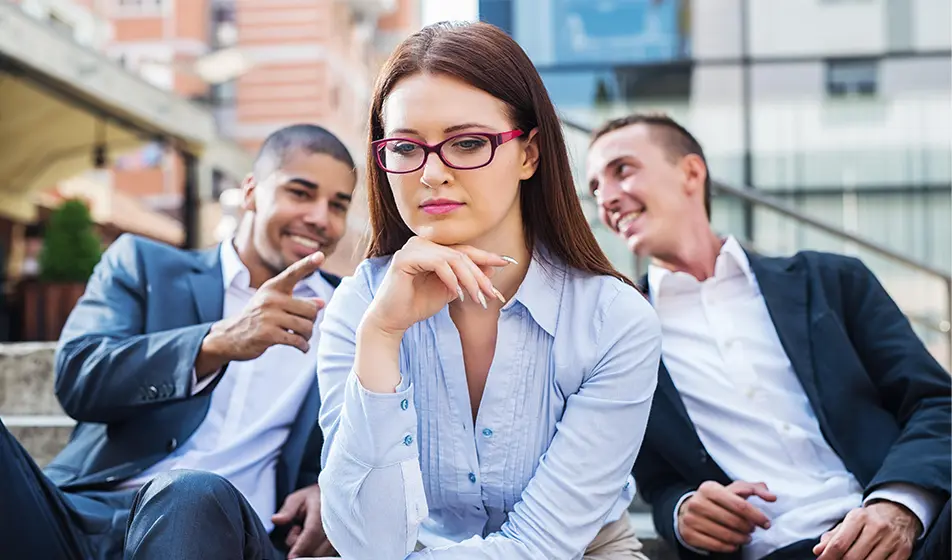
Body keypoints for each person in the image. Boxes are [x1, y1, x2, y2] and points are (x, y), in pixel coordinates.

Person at [315, 21, 662, 560]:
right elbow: (367, 543)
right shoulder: (360, 308)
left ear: (529, 154)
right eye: (406, 147)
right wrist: (382, 336)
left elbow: (540, 545)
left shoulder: (613, 320)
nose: (430, 174)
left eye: (468, 142)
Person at [585, 113, 951, 560]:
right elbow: (657, 484)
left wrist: (899, 504)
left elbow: (936, 402)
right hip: (784, 551)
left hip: (917, 527)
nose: (608, 199)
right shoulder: (617, 335)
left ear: (690, 173)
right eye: (596, 189)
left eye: (622, 170)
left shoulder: (832, 280)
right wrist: (682, 513)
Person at [0, 124, 356, 560]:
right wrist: (214, 343)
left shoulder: (351, 311)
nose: (320, 217)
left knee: (190, 491)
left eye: (338, 205)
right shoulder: (144, 264)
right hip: (81, 519)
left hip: (224, 532)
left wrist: (331, 486)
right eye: (300, 193)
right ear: (251, 193)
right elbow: (79, 376)